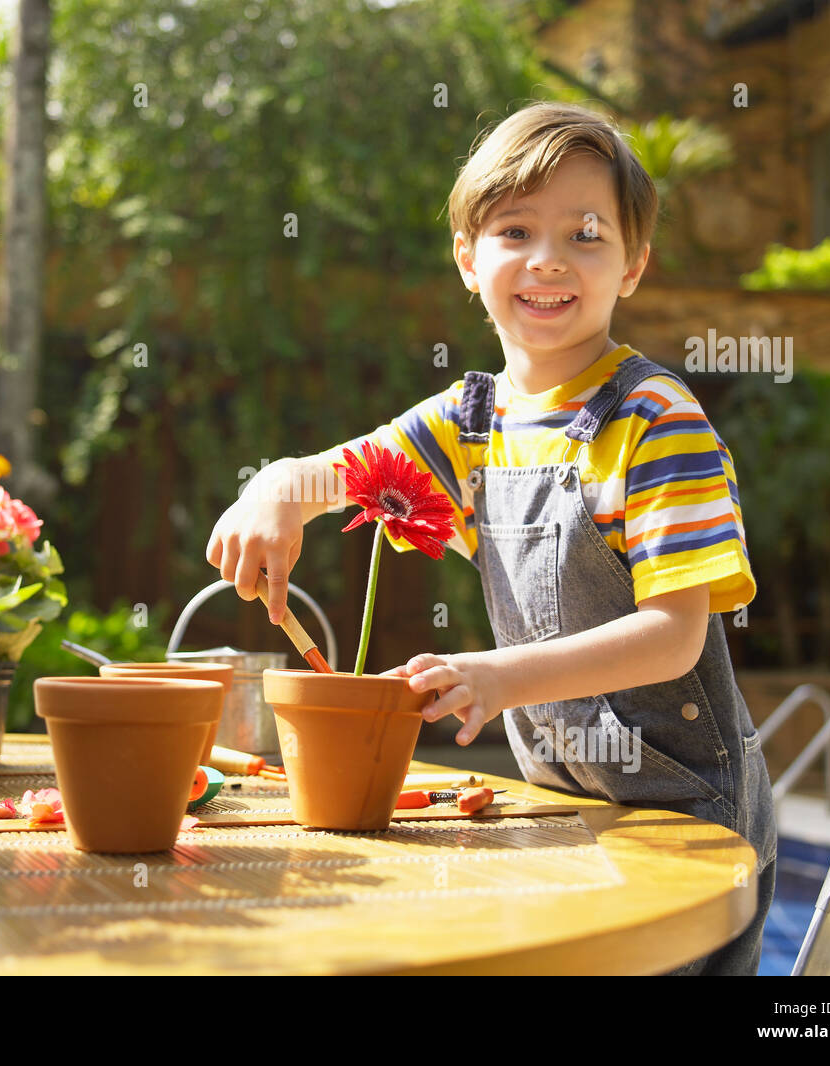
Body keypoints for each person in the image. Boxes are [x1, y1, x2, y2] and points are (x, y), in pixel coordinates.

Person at [205, 100, 776, 975]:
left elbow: (675, 637)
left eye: (587, 235)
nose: (548, 259)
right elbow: (339, 474)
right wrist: (278, 485)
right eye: (515, 230)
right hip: (560, 811)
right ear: (470, 260)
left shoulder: (659, 421)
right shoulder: (472, 419)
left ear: (634, 266)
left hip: (685, 825)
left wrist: (494, 677)